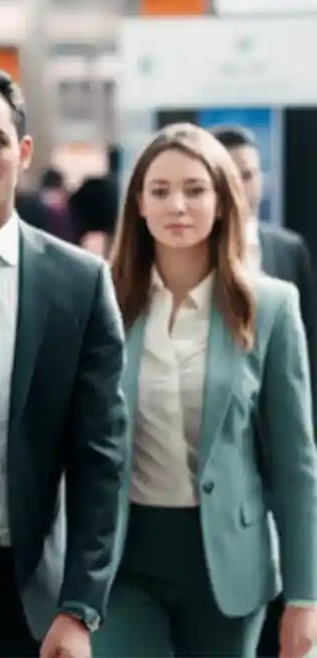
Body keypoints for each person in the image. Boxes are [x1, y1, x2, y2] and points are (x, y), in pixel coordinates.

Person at [0, 64, 129, 657]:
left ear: (24, 151)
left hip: (31, 589)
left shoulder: (79, 283)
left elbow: (101, 457)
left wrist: (80, 606)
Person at [93, 123, 317, 658]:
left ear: (221, 202)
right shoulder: (101, 301)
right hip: (121, 559)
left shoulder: (271, 307)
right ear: (139, 204)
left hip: (229, 565)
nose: (177, 205)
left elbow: (295, 464)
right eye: (160, 190)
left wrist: (305, 596)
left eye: (195, 189)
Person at [212, 125, 317, 658]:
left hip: (278, 430)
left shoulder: (285, 249)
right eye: (229, 175)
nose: (241, 185)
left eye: (248, 174)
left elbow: (306, 351)